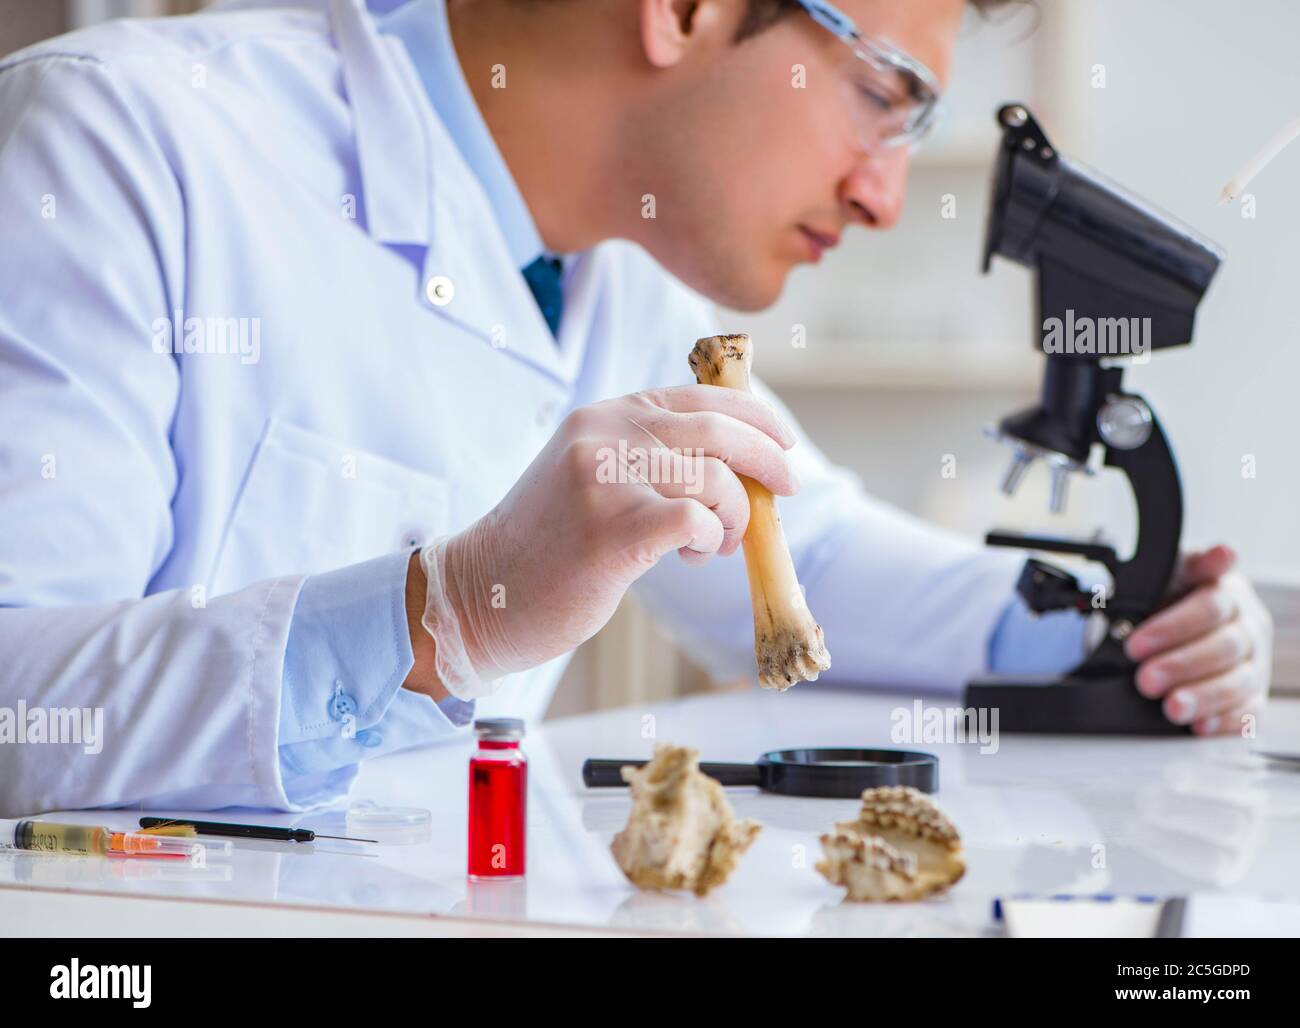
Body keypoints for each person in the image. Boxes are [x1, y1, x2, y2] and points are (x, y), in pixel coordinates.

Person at [0, 0, 1272, 815]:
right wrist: (437, 614)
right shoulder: (127, 140)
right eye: (882, 93)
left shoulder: (620, 269)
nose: (887, 192)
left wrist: (1123, 634)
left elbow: (803, 552)